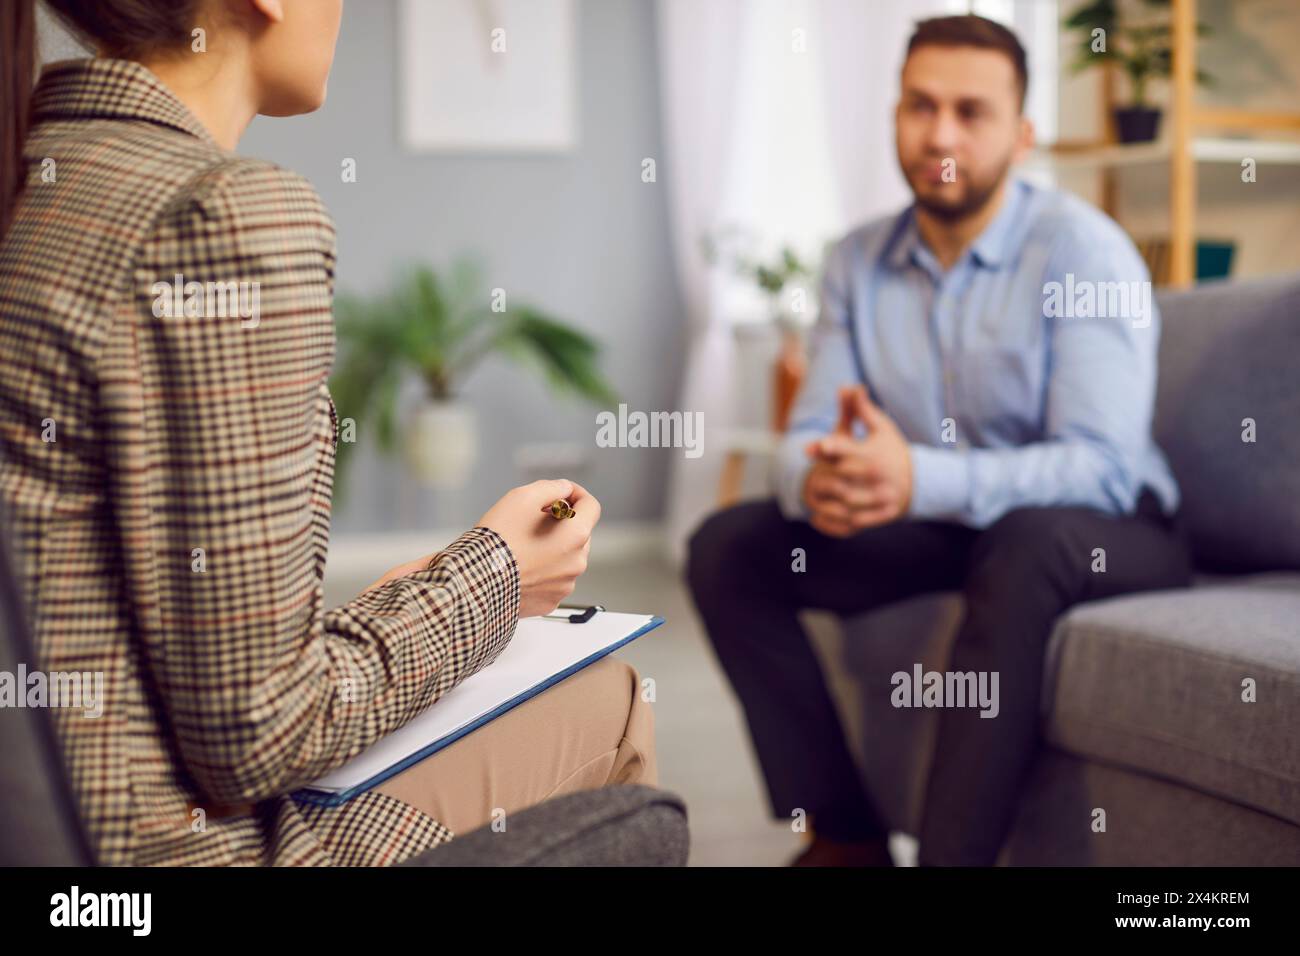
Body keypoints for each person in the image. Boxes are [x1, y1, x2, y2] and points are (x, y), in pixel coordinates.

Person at [0, 0, 654, 866]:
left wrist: (380, 606)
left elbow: (125, 611)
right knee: (613, 699)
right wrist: (498, 570)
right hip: (182, 849)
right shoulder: (219, 217)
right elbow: (259, 735)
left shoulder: (46, 168)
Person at [687, 14, 1192, 867]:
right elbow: (808, 432)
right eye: (920, 106)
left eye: (971, 111)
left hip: (1102, 529)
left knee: (1025, 543)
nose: (941, 134)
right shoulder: (856, 261)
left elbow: (1101, 468)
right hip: (947, 528)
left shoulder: (1083, 254)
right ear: (893, 117)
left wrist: (917, 478)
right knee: (730, 545)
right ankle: (847, 839)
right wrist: (819, 480)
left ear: (1023, 134)